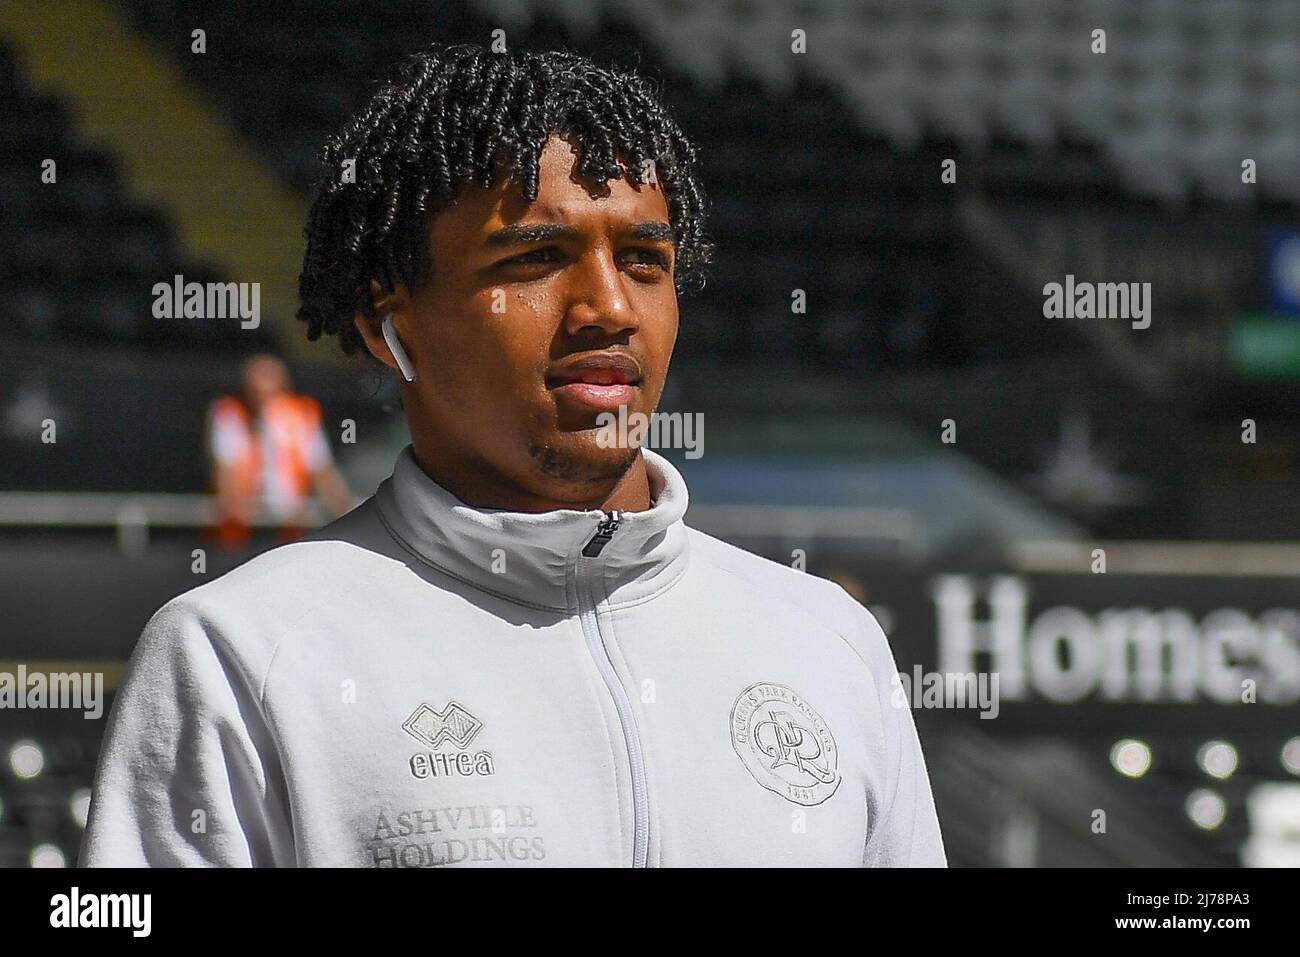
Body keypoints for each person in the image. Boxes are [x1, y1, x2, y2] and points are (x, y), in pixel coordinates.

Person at [80, 44, 946, 867]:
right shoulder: (237, 654)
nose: (608, 306)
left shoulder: (827, 644)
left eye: (645, 258)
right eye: (536, 257)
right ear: (392, 325)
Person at [205, 354, 357, 548]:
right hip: (243, 529)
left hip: (290, 527)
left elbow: (321, 470)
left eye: (270, 392)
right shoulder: (229, 414)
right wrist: (235, 505)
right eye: (256, 393)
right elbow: (225, 468)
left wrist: (344, 510)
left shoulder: (301, 414)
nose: (263, 400)